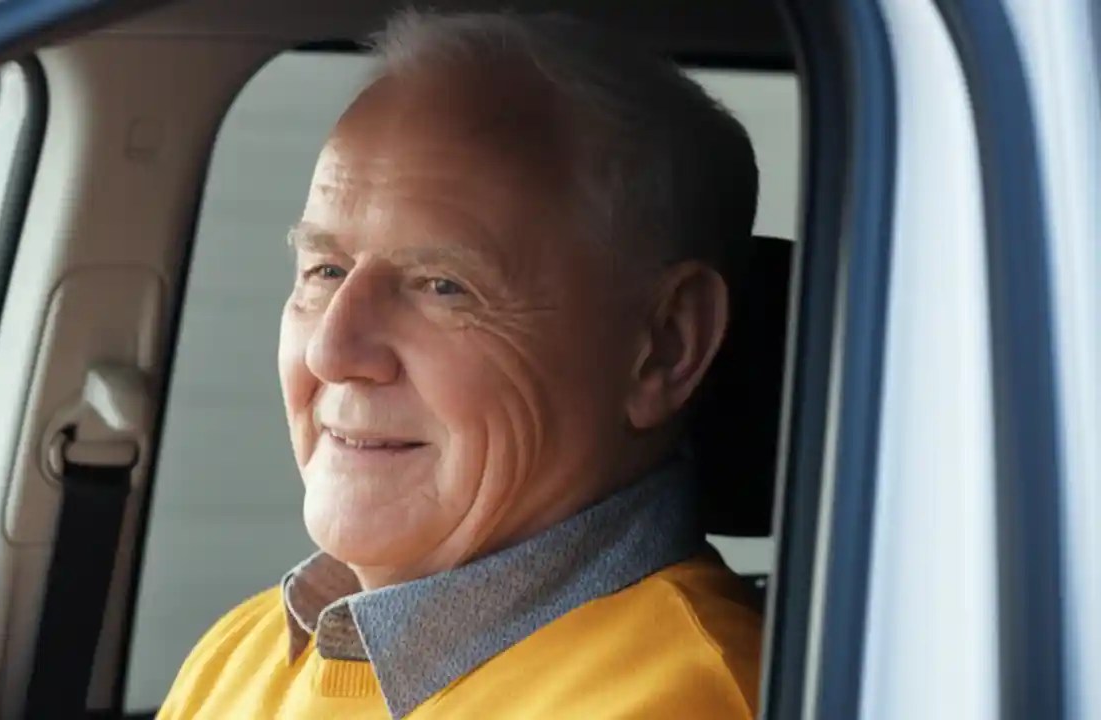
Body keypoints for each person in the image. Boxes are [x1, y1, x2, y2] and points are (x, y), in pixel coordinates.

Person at [159, 9, 761, 719]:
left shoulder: (691, 697)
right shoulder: (243, 651)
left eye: (443, 286)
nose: (333, 352)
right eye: (324, 271)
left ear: (664, 347)